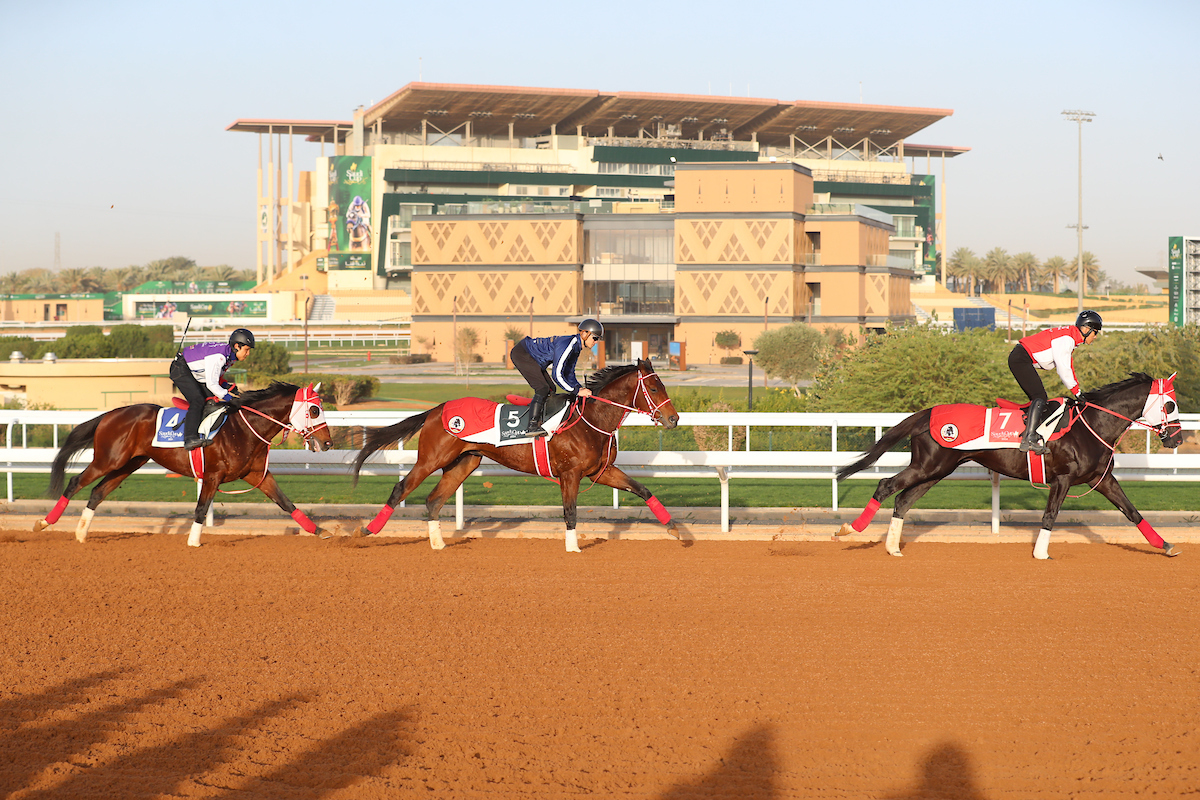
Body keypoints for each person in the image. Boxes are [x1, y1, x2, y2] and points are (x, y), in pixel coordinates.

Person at [1009, 309, 1102, 454]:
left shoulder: (1070, 337)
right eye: (1095, 332)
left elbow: (1069, 368)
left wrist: (1077, 390)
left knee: (1040, 398)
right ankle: (1029, 438)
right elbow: (1063, 370)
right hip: (1020, 358)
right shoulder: (1067, 339)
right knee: (1039, 397)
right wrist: (1077, 393)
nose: (1095, 337)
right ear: (1086, 329)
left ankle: (1032, 429)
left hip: (1021, 357)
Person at [509, 319, 602, 437]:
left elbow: (568, 373)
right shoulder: (568, 345)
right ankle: (531, 426)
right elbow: (557, 374)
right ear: (584, 334)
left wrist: (579, 389)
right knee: (542, 388)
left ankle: (543, 419)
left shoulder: (576, 347)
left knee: (551, 389)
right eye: (595, 338)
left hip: (533, 358)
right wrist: (577, 391)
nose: (596, 342)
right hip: (522, 353)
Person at [169, 328, 255, 450]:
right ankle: (189, 438)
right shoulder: (219, 357)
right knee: (197, 400)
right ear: (237, 346)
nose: (248, 354)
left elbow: (216, 378)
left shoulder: (229, 355)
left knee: (212, 400)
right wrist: (229, 398)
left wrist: (228, 387)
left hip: (192, 371)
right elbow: (212, 385)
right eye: (246, 350)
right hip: (180, 369)